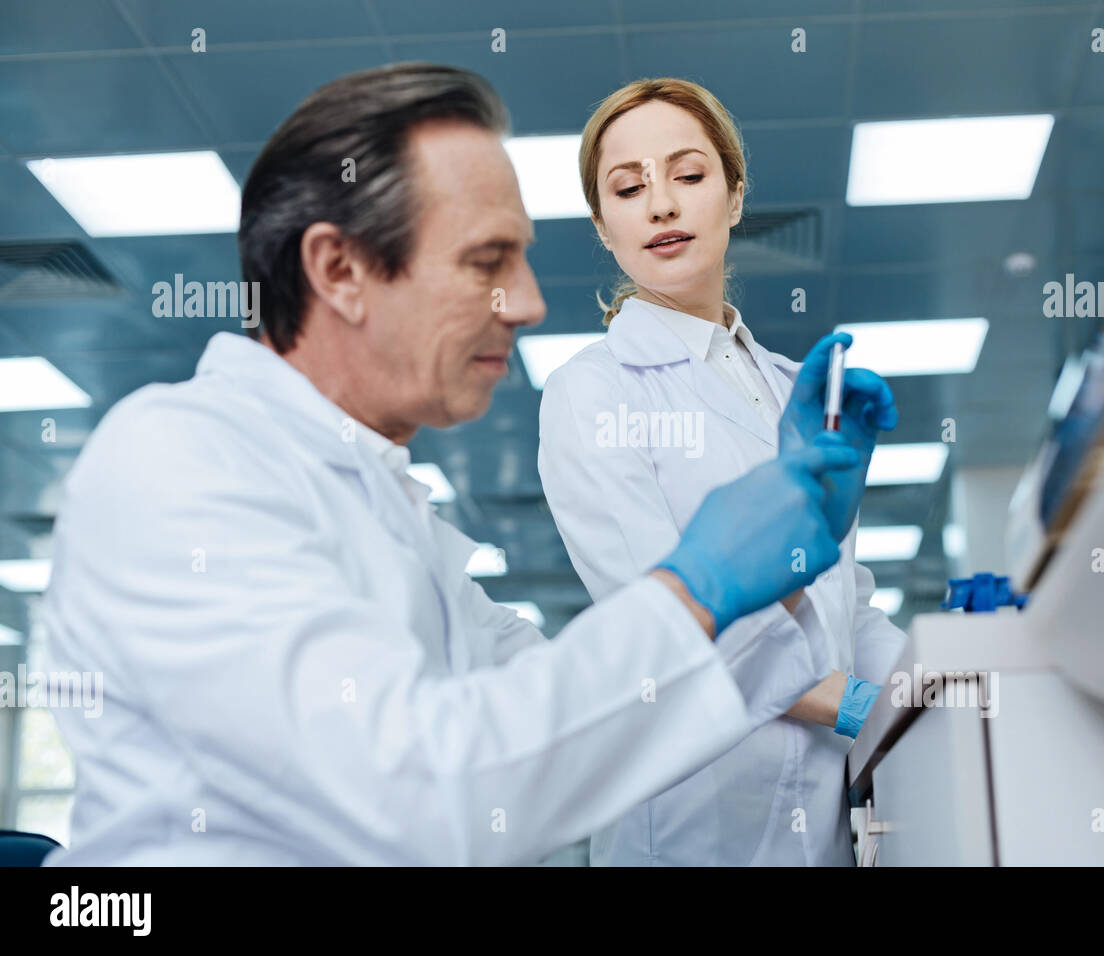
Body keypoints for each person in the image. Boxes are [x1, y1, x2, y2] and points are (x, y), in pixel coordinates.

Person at [38, 64, 885, 866]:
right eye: (487, 263)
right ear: (341, 271)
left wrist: (787, 577)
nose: (527, 303)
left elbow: (557, 708)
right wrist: (700, 586)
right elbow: (419, 790)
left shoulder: (392, 510)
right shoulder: (179, 460)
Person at [538, 78, 906, 866]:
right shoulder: (591, 390)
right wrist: (854, 703)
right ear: (604, 227)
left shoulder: (789, 388)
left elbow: (848, 608)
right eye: (629, 188)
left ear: (736, 197)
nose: (661, 205)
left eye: (690, 175)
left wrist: (927, 689)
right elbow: (670, 623)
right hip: (684, 827)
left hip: (820, 828)